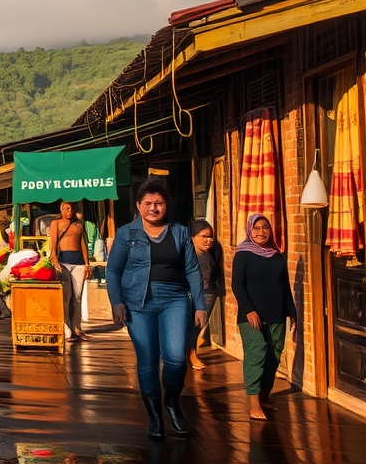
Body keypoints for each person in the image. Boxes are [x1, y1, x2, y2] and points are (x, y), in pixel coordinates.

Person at [107, 178, 206, 440]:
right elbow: (113, 270)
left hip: (174, 300)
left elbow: (193, 270)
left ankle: (171, 401)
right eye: (148, 203)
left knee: (175, 357)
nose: (153, 207)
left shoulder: (180, 232)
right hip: (137, 303)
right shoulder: (126, 233)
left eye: (159, 203)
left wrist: (200, 304)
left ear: (166, 205)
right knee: (148, 361)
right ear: (138, 206)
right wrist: (116, 301)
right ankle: (154, 415)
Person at [231, 214, 296, 420]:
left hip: (276, 313)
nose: (261, 232)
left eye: (265, 227)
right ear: (250, 230)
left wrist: (292, 313)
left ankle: (263, 397)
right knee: (257, 352)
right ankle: (253, 403)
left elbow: (285, 287)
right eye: (257, 228)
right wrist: (249, 309)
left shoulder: (277, 255)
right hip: (251, 316)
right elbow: (237, 285)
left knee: (274, 355)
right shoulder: (243, 254)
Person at [47, 201, 90, 342]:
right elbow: (53, 246)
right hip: (64, 261)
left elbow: (83, 244)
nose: (69, 212)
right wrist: (55, 261)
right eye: (66, 209)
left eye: (71, 209)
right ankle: (67, 328)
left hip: (78, 263)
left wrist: (87, 264)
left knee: (77, 297)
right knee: (66, 297)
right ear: (61, 209)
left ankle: (77, 327)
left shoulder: (78, 225)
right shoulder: (56, 223)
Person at [189, 218, 226, 369]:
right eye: (204, 236)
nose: (208, 240)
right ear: (193, 237)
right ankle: (189, 354)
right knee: (189, 325)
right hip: (190, 293)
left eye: (210, 236)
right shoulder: (188, 254)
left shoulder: (215, 251)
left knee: (198, 325)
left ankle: (191, 352)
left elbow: (218, 272)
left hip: (209, 292)